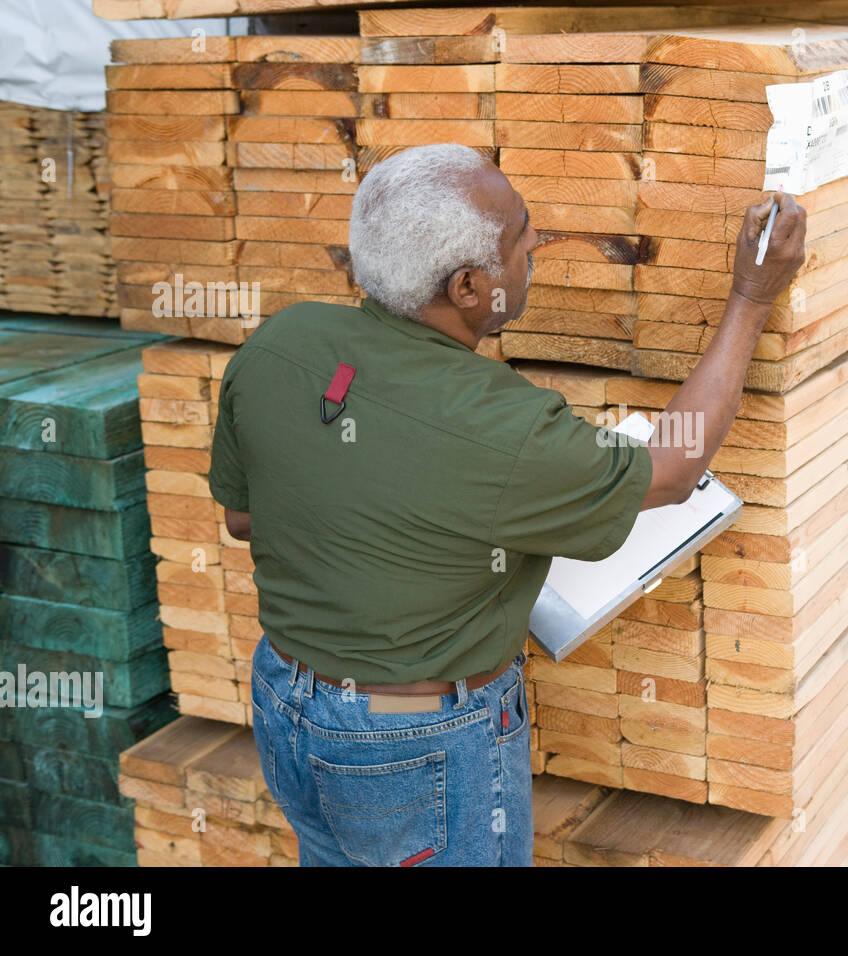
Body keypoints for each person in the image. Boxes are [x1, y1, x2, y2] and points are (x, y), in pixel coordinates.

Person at [208, 143, 806, 866]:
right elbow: (675, 466)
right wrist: (750, 298)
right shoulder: (503, 429)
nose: (537, 245)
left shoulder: (281, 342)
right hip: (410, 741)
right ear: (467, 286)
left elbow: (244, 519)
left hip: (286, 704)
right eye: (522, 237)